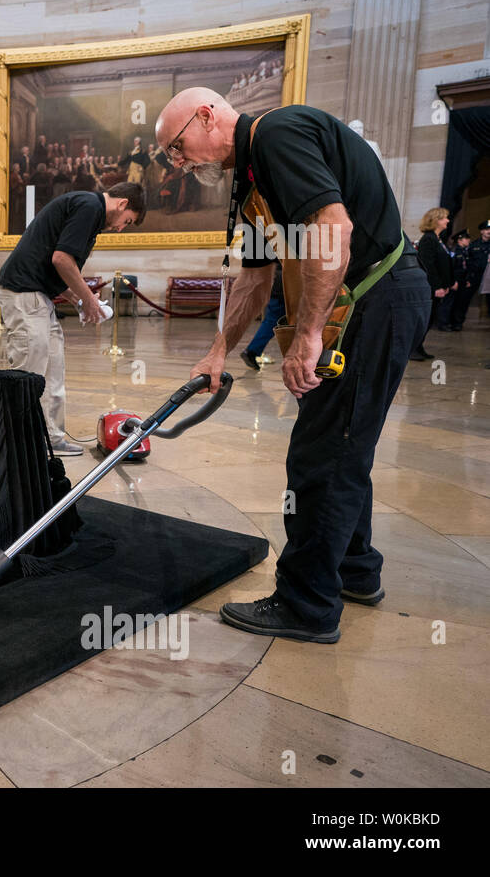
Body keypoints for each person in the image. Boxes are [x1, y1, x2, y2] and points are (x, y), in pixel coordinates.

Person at [155, 87, 428, 644]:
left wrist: (307, 335)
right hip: (365, 303)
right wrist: (217, 351)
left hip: (376, 298)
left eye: (178, 148)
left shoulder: (277, 135)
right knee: (341, 442)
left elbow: (334, 227)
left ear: (207, 117)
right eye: (172, 158)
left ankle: (306, 604)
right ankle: (354, 571)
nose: (180, 164)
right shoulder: (251, 181)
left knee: (321, 454)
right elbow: (256, 281)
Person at [0, 182, 145, 456]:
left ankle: (51, 440)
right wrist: (88, 299)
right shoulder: (89, 206)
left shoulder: (88, 209)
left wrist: (78, 299)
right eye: (127, 221)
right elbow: (62, 259)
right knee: (29, 374)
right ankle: (15, 446)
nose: (121, 228)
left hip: (38, 295)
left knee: (53, 369)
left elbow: (55, 268)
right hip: (24, 294)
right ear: (122, 204)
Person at [412, 207, 452, 353]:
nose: (447, 220)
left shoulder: (437, 239)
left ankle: (419, 346)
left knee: (430, 319)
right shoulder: (428, 240)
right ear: (436, 220)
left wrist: (447, 283)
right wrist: (436, 287)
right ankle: (415, 349)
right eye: (444, 218)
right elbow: (428, 266)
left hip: (438, 286)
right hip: (431, 287)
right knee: (425, 320)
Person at [239, 263, 285, 371]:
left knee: (271, 321)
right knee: (273, 321)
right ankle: (252, 351)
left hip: (276, 284)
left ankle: (252, 350)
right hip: (283, 287)